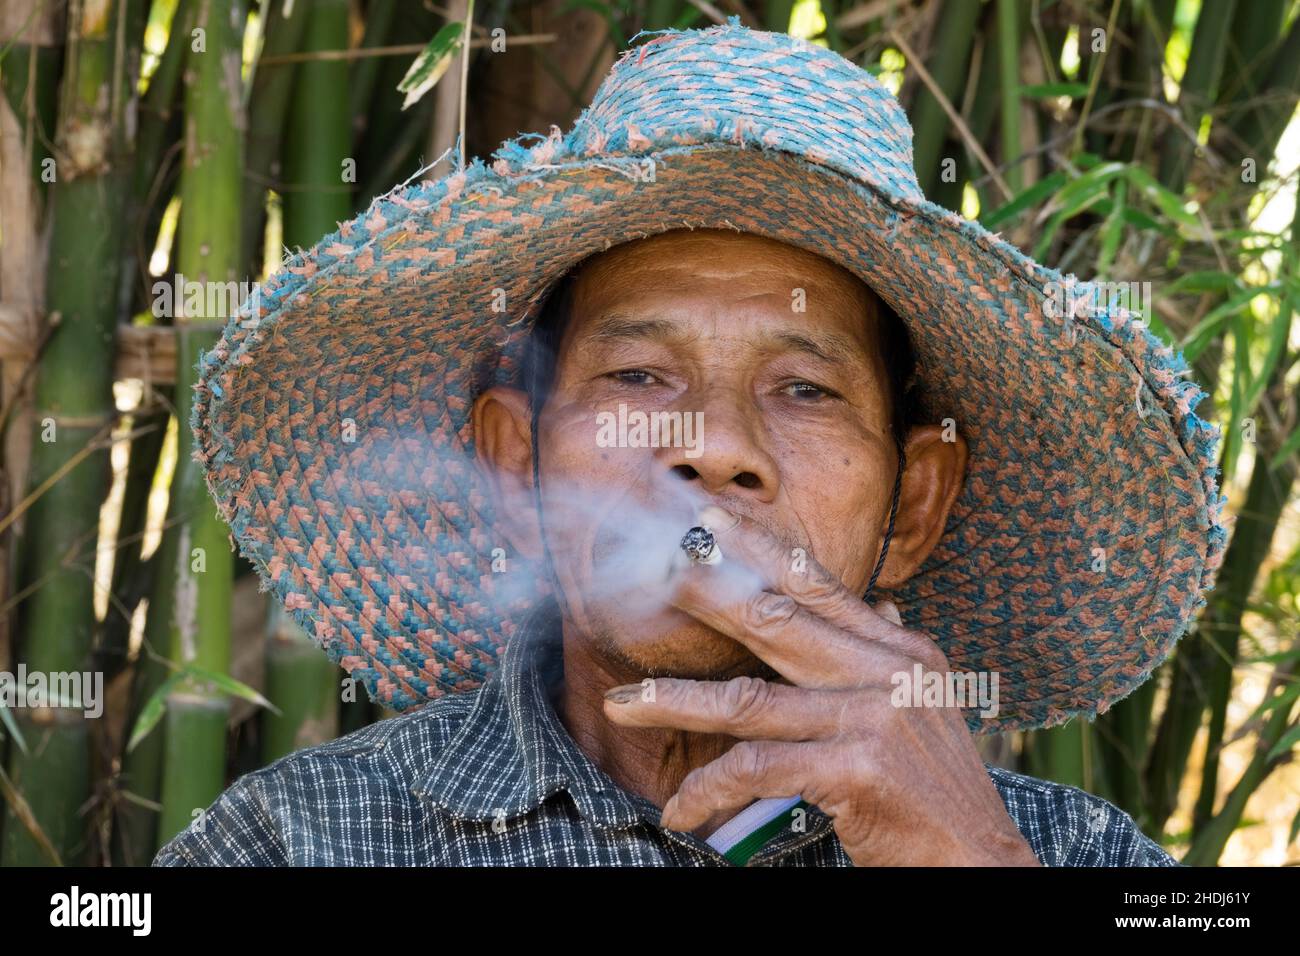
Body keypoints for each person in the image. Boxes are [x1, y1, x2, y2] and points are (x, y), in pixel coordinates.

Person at [154, 20, 1224, 867]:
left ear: (912, 507)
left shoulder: (1072, 854)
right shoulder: (301, 843)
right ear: (511, 463)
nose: (712, 447)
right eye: (636, 377)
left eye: (804, 388)